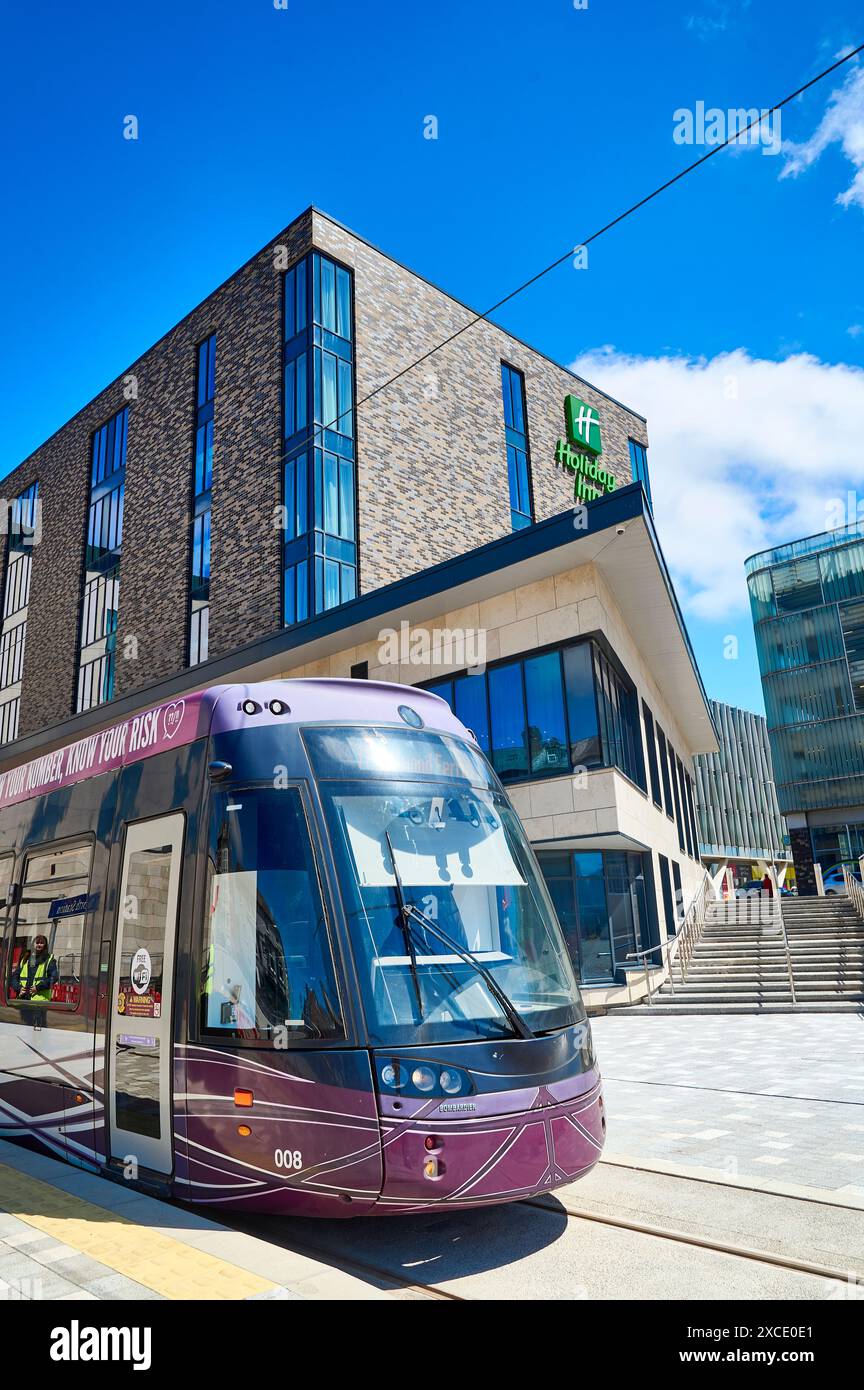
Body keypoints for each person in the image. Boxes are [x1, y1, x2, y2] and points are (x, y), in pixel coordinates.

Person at [10, 934, 59, 1001]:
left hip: (39, 1001)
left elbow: (54, 977)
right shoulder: (25, 959)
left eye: (41, 943)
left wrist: (38, 988)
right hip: (23, 998)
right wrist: (19, 988)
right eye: (37, 942)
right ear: (33, 944)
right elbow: (14, 977)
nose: (39, 944)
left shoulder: (49, 960)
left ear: (45, 945)